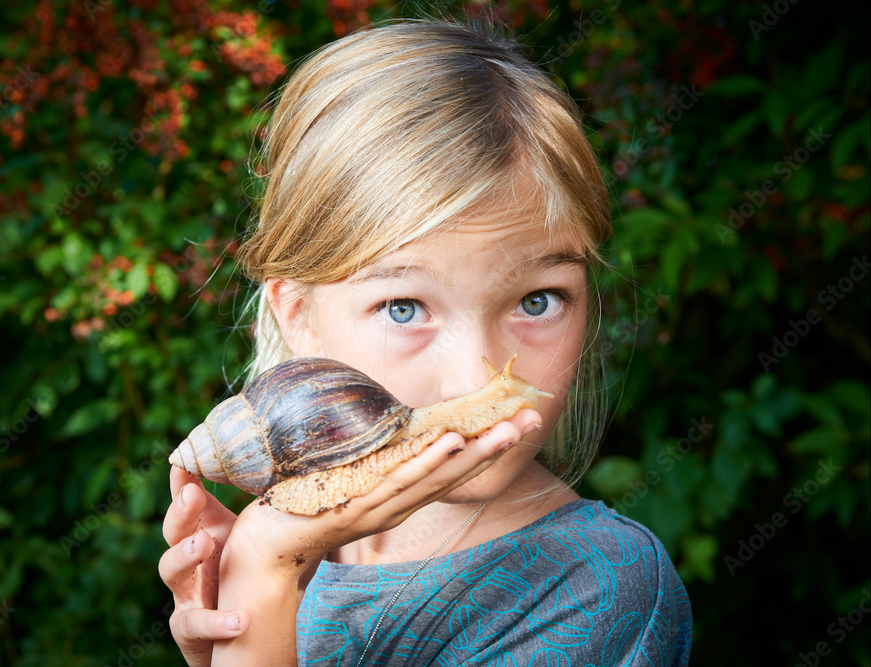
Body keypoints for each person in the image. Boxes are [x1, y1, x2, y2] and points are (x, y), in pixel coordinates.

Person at [158, 17, 693, 667]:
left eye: (537, 300)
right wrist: (247, 617)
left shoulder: (601, 591)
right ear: (299, 314)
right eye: (405, 307)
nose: (478, 376)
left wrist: (259, 584)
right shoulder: (306, 551)